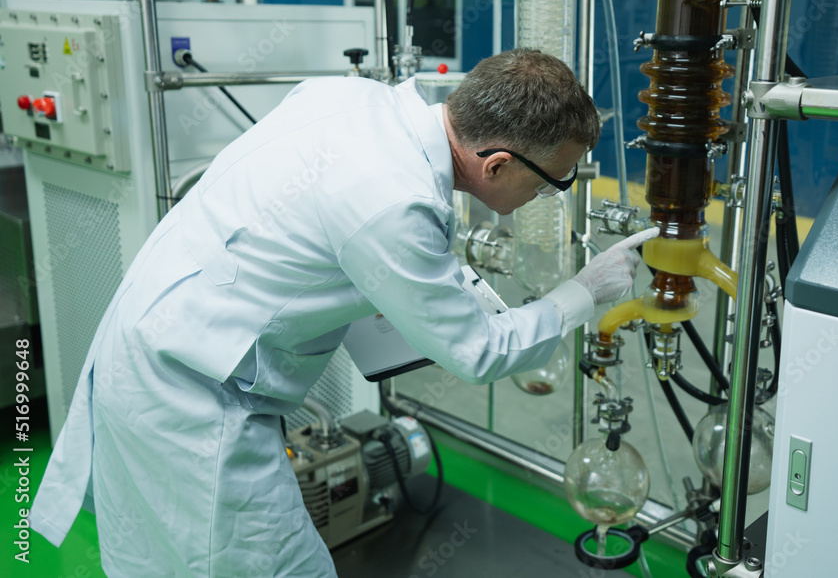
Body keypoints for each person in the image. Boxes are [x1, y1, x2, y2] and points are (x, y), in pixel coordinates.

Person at [30, 48, 656, 576]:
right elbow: (479, 352)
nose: (549, 193)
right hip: (192, 400)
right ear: (497, 164)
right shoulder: (397, 201)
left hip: (158, 337)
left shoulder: (350, 99)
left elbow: (326, 240)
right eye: (553, 182)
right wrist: (584, 291)